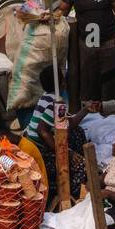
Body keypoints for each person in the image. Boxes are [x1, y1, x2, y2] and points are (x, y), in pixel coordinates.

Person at [55, 0, 115, 117]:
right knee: (92, 79)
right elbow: (62, 10)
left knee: (114, 77)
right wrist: (47, 17)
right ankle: (99, 115)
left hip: (108, 40)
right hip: (87, 43)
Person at [25, 67, 87, 200]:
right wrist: (66, 153)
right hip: (40, 148)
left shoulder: (46, 96)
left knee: (78, 132)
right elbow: (42, 131)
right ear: (62, 83)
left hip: (33, 141)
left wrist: (86, 110)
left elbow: (67, 124)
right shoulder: (57, 103)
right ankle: (73, 193)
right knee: (82, 166)